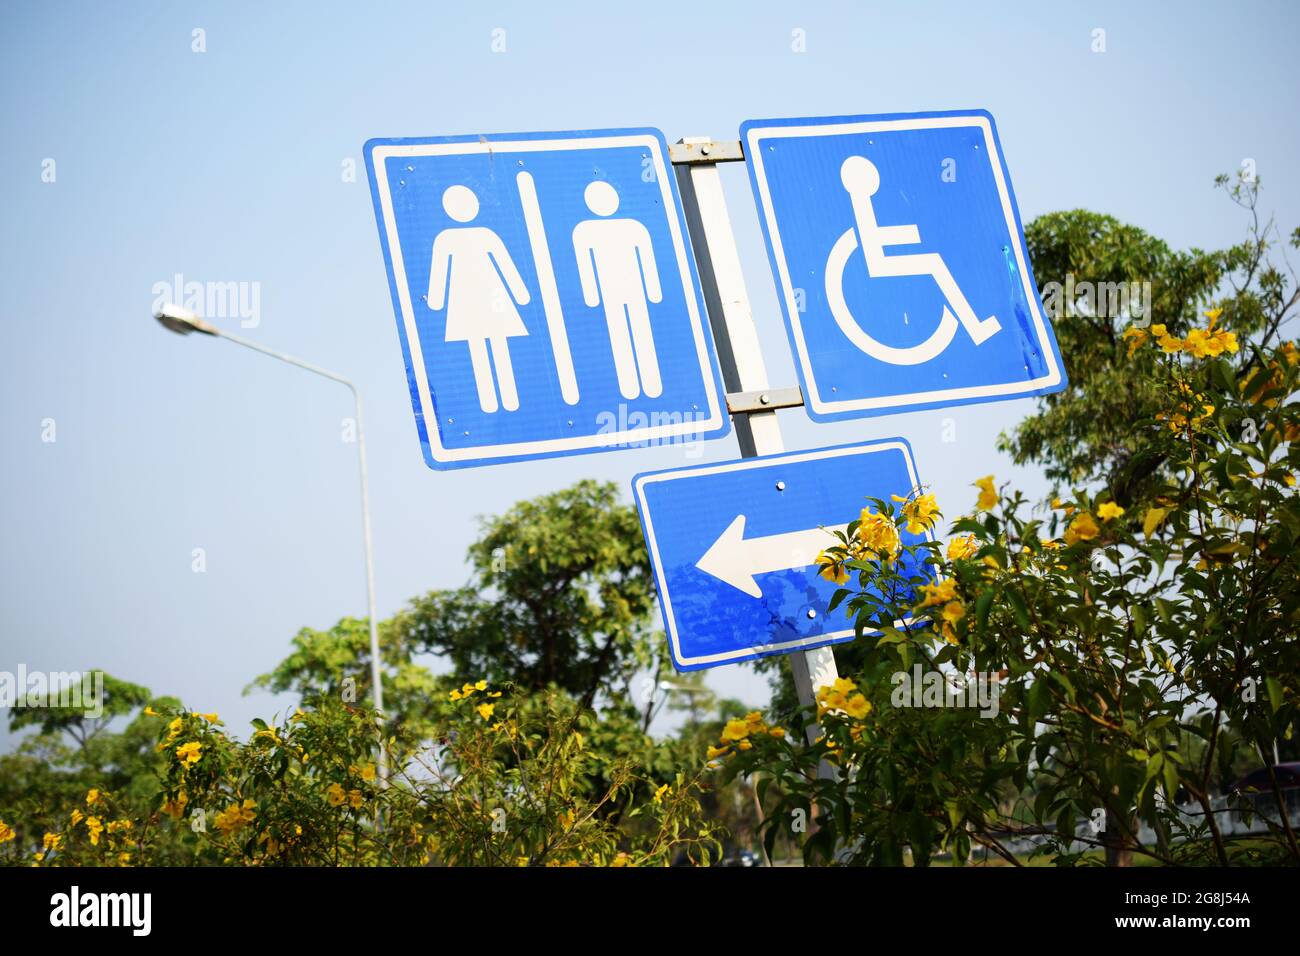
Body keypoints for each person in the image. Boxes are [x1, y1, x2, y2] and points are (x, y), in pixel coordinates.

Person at [427, 184, 531, 413]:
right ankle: (490, 403)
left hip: (488, 298)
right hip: (465, 301)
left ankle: (510, 400)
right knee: (480, 349)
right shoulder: (446, 239)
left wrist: (521, 293)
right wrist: (435, 300)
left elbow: (505, 264)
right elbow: (439, 271)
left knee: (497, 344)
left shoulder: (485, 235)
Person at [572, 181, 663, 400]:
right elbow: (585, 265)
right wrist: (591, 295)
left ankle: (652, 383)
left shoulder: (634, 227)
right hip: (610, 294)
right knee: (619, 334)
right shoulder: (584, 230)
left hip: (634, 291)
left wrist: (653, 290)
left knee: (641, 332)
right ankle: (629, 386)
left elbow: (647, 260)